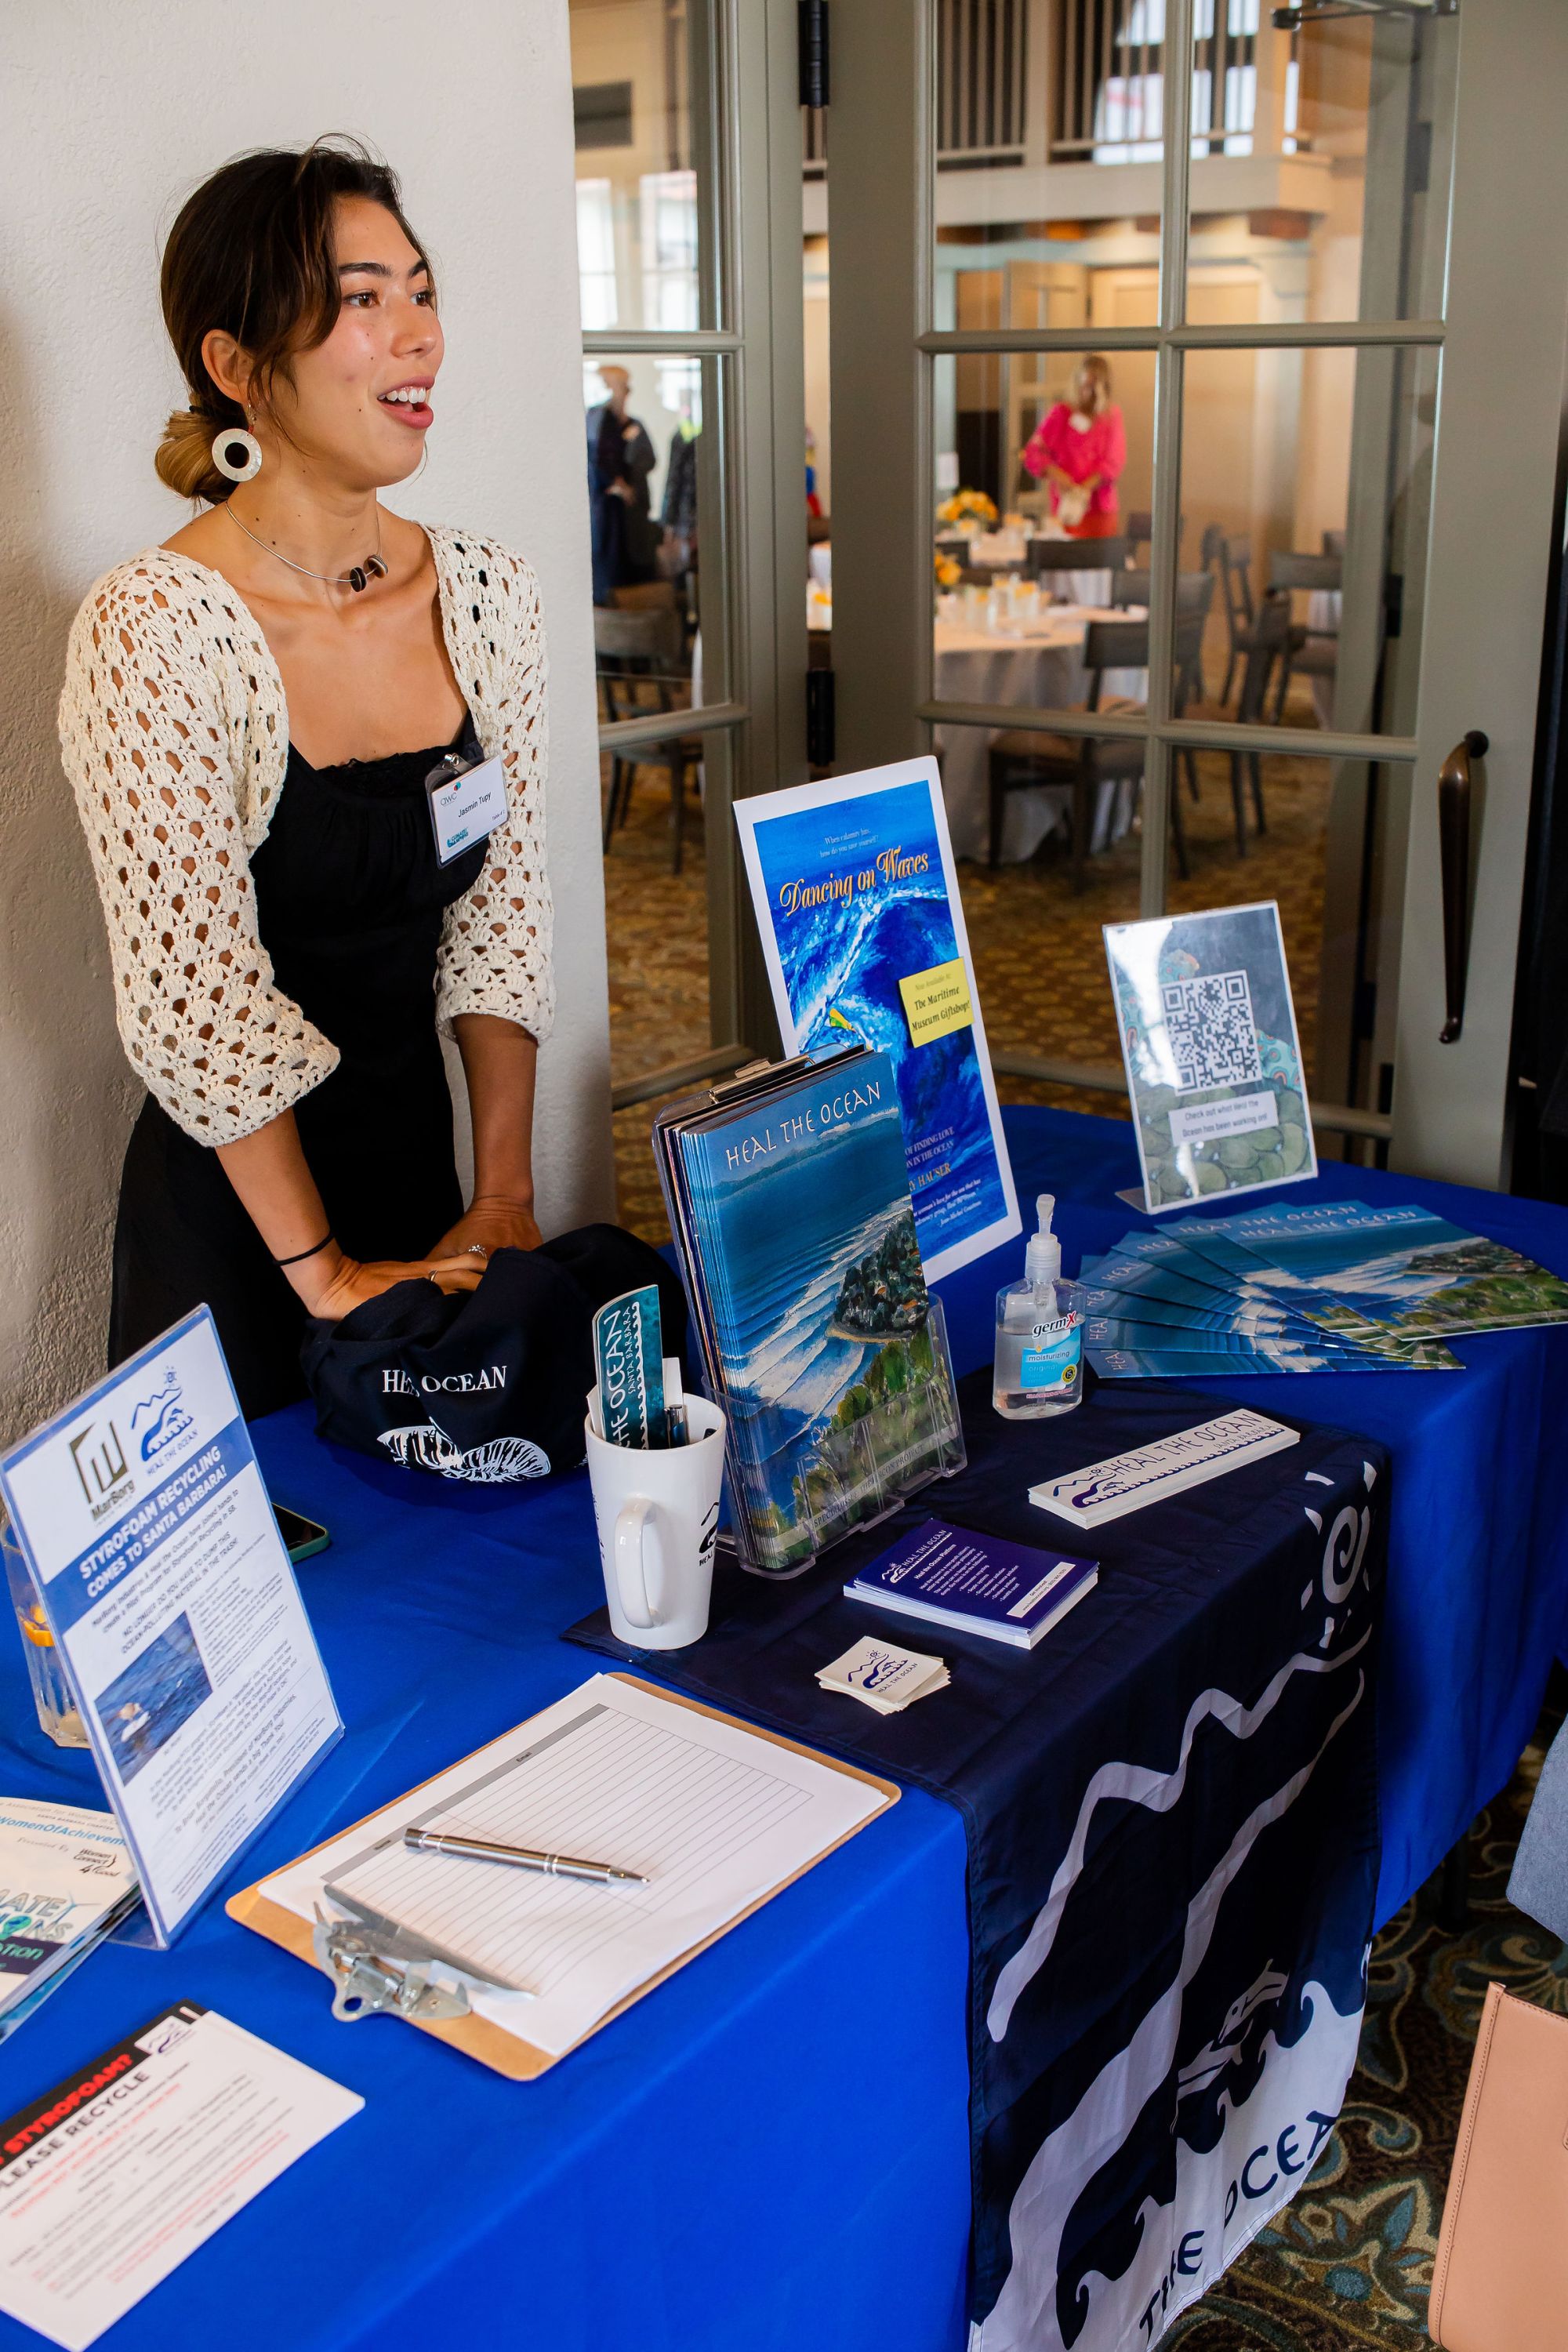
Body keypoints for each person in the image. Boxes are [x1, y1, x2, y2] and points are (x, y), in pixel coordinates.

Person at [56, 140, 557, 1419]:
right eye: (361, 300)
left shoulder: (487, 594)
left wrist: (502, 1197)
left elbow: (503, 917)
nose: (419, 336)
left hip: (428, 1193)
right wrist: (324, 1275)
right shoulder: (157, 628)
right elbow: (197, 1005)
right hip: (240, 1234)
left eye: (421, 291)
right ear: (237, 367)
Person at [1019, 354, 1127, 540]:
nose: (1088, 394)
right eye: (1085, 386)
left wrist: (1083, 489)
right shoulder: (1060, 414)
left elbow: (1114, 462)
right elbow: (1033, 453)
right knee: (1065, 551)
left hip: (1099, 509)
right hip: (1066, 507)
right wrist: (1059, 476)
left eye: (1094, 389)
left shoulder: (1111, 416)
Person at [586, 364, 658, 604]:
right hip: (608, 514)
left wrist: (630, 482)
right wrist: (618, 484)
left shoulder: (634, 425)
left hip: (633, 516)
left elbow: (648, 459)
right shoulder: (597, 419)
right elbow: (599, 459)